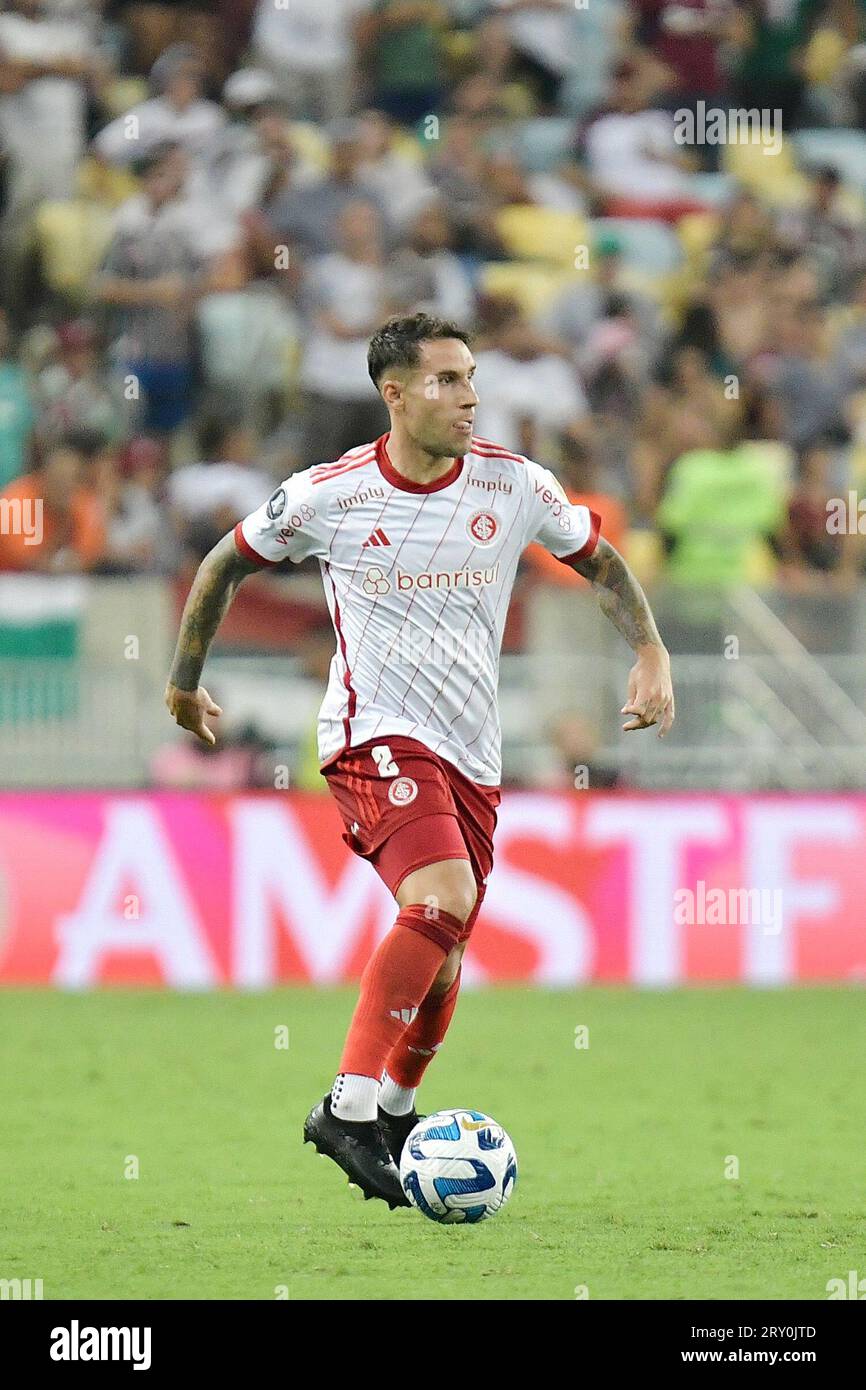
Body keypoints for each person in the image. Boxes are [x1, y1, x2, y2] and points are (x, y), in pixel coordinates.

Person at [163, 312, 675, 1209]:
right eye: (447, 381)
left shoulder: (515, 486)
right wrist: (183, 680)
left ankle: (397, 1108)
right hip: (373, 734)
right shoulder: (332, 495)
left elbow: (599, 564)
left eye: (472, 377)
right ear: (394, 395)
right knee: (442, 899)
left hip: (472, 755)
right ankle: (348, 1107)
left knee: (445, 946)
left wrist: (652, 653)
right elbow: (221, 565)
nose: (470, 396)